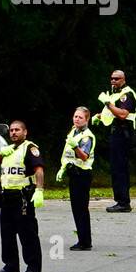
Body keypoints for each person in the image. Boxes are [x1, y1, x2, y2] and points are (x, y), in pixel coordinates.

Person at [0, 120, 45, 272]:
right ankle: (11, 266)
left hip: (23, 196)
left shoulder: (30, 148)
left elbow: (39, 170)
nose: (14, 132)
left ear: (25, 132)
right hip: (7, 196)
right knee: (6, 233)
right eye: (12, 130)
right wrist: (0, 152)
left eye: (17, 130)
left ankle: (33, 268)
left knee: (27, 233)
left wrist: (40, 189)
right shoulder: (8, 150)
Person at [96, 69, 136, 212]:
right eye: (112, 78)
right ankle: (120, 200)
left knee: (120, 168)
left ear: (123, 80)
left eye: (117, 78)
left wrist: (108, 104)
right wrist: (100, 116)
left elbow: (122, 114)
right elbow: (111, 114)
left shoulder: (126, 95)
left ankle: (123, 202)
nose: (113, 81)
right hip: (116, 133)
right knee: (115, 168)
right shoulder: (115, 95)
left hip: (123, 132)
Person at [57, 106, 96, 251]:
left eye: (80, 117)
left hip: (82, 174)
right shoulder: (73, 132)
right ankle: (82, 238)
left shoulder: (86, 136)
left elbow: (84, 156)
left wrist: (75, 147)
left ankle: (85, 241)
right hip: (73, 173)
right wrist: (62, 168)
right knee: (76, 208)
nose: (77, 119)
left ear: (87, 119)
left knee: (81, 209)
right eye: (75, 116)